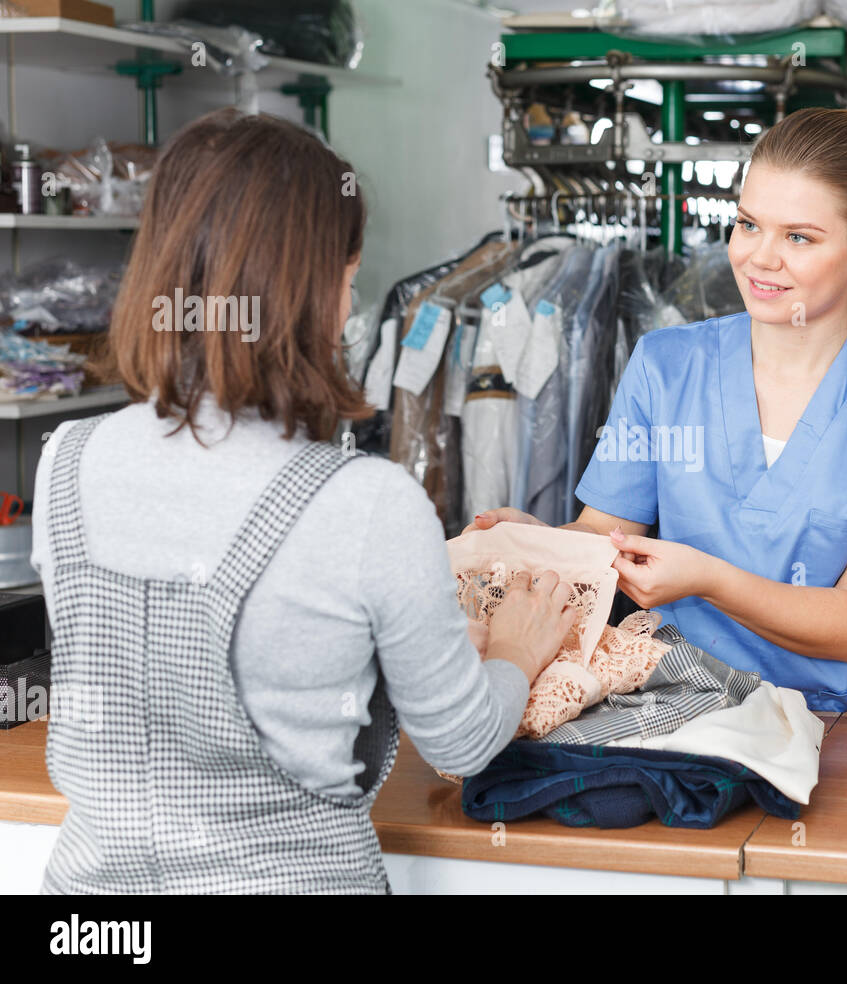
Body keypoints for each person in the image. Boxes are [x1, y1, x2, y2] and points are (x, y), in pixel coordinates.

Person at [30, 108, 575, 894]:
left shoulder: (64, 462)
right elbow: (461, 744)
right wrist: (519, 650)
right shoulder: (366, 504)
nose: (349, 315)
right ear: (311, 288)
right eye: (349, 283)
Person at [472, 107, 847, 714]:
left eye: (799, 237)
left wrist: (709, 579)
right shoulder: (665, 365)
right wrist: (539, 541)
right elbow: (604, 534)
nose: (760, 257)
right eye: (748, 224)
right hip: (685, 711)